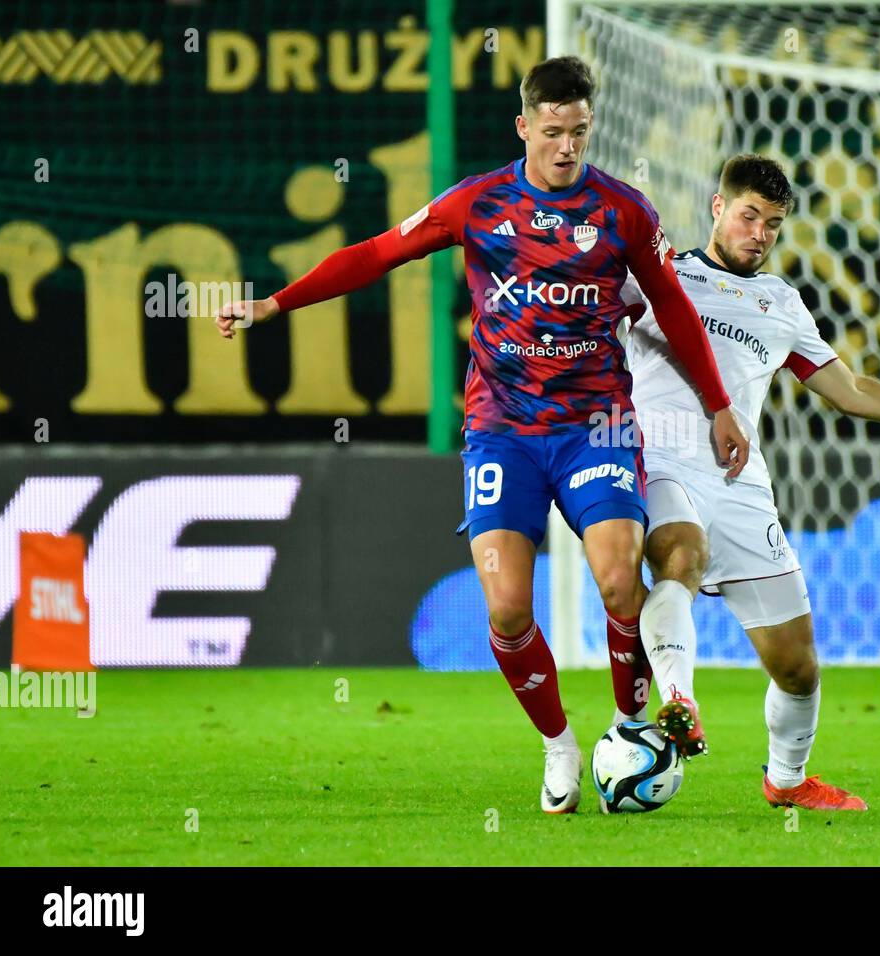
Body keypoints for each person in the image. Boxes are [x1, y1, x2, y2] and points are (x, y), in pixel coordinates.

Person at [214, 56, 750, 813]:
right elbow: (374, 252)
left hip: (594, 422)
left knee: (621, 579)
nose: (568, 148)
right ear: (525, 127)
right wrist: (276, 303)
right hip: (501, 429)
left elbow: (676, 311)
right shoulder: (478, 203)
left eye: (581, 133)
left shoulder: (626, 212)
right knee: (504, 608)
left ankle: (633, 728)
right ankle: (560, 745)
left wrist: (718, 404)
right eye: (554, 132)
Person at [622, 154, 880, 810]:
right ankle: (679, 700)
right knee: (680, 556)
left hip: (742, 483)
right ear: (718, 208)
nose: (759, 233)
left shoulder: (781, 304)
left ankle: (788, 780)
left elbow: (850, 390)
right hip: (664, 459)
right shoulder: (659, 278)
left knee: (797, 666)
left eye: (772, 224)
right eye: (748, 216)